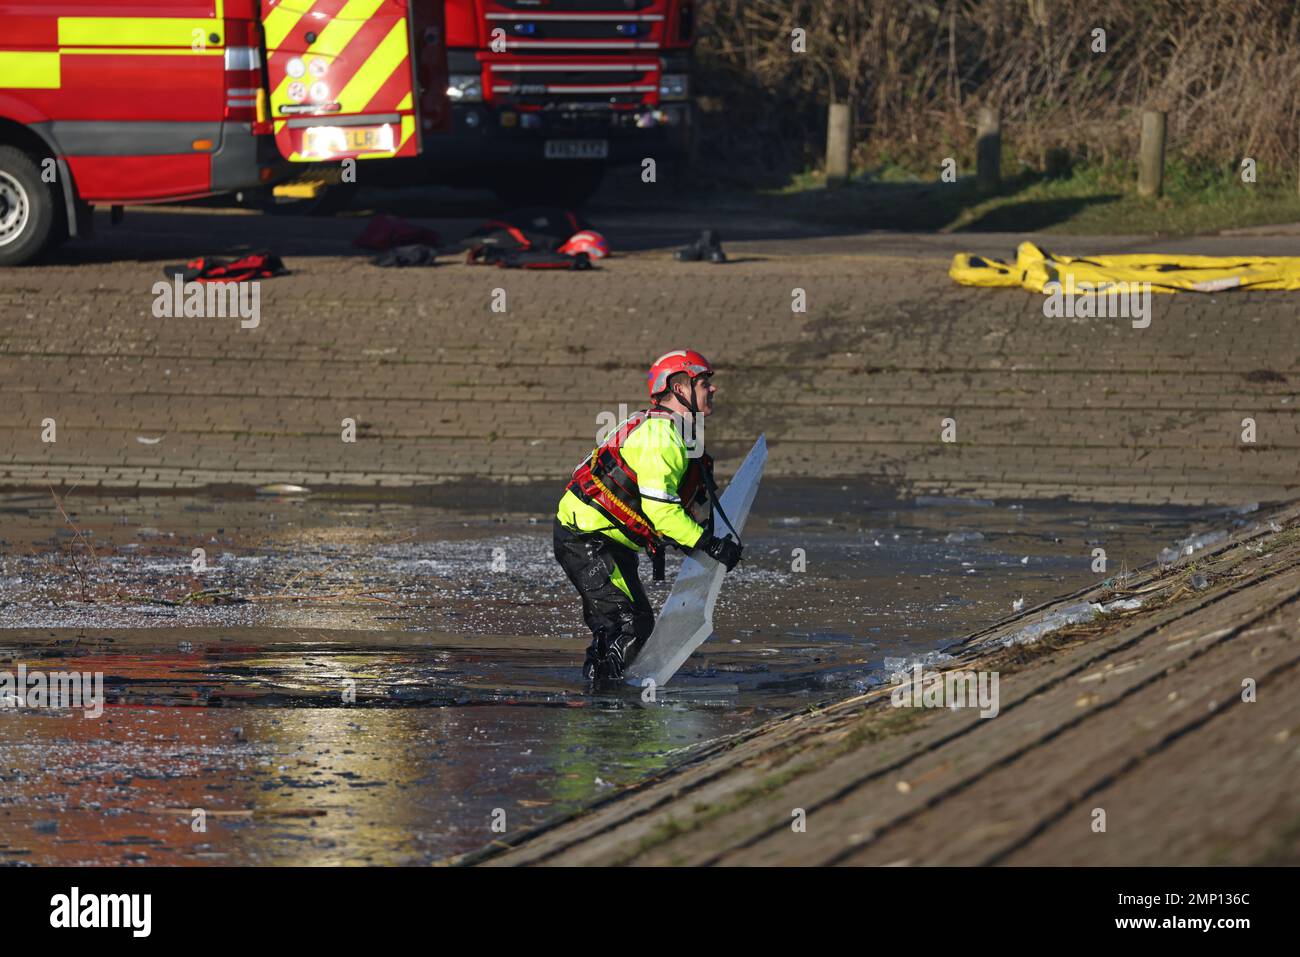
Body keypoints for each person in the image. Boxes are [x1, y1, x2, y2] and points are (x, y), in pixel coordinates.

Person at [553, 349, 744, 684]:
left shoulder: (668, 431)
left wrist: (698, 544)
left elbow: (664, 510)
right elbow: (661, 512)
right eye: (704, 382)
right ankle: (611, 701)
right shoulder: (661, 439)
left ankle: (601, 690)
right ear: (680, 388)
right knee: (631, 625)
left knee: (619, 625)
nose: (712, 389)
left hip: (603, 537)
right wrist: (709, 545)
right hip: (587, 537)